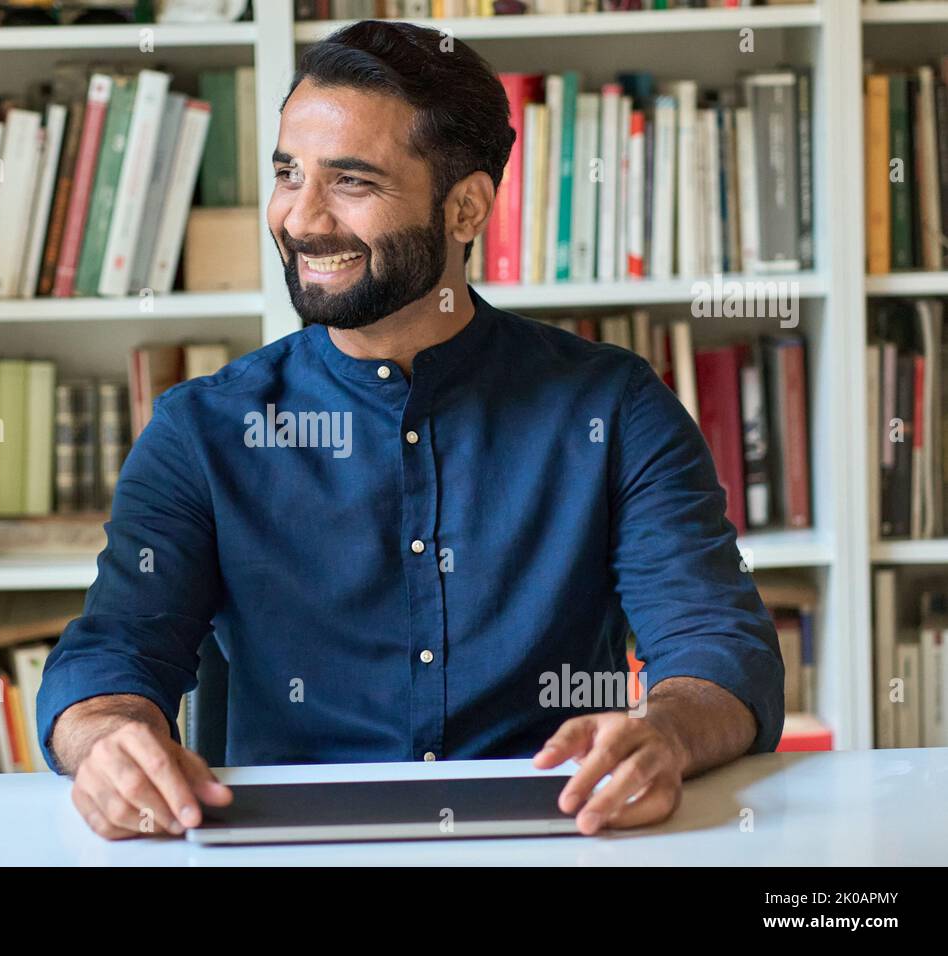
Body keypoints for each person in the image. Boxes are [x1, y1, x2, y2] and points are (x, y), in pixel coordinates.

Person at [39, 19, 784, 841]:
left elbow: (719, 648)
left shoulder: (613, 408)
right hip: (282, 851)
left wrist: (662, 737)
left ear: (465, 207)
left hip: (559, 837)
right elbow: (111, 656)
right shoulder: (203, 429)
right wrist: (108, 740)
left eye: (351, 182)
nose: (300, 218)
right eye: (289, 173)